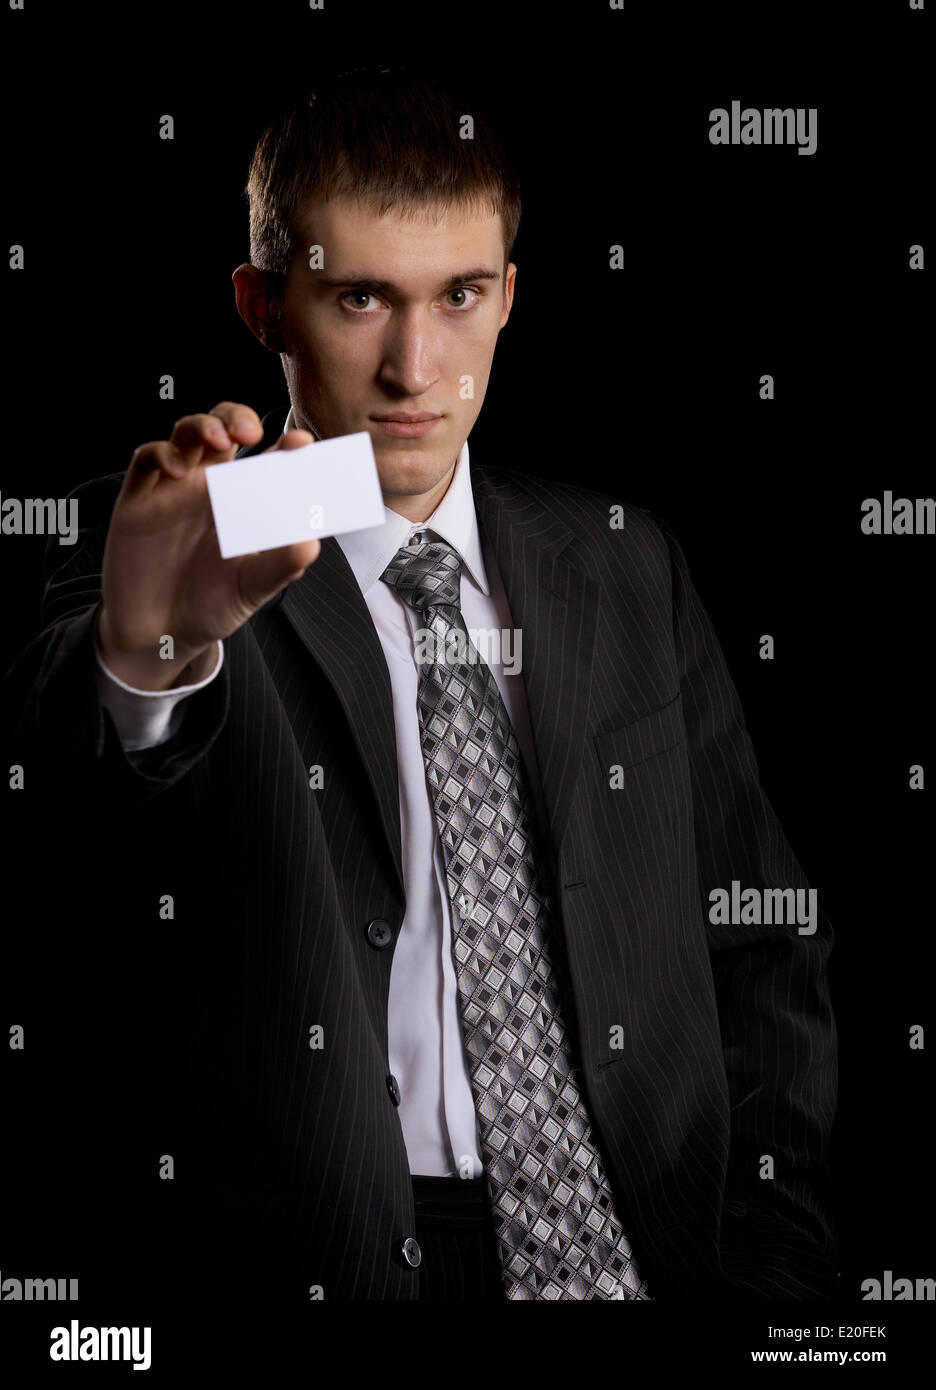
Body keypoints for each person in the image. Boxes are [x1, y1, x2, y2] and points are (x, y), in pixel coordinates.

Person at [4, 67, 837, 1303]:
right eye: (359, 300)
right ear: (264, 307)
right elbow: (64, 871)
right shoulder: (171, 542)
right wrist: (149, 655)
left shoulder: (621, 562)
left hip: (639, 1254)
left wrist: (772, 1269)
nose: (414, 365)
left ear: (509, 298)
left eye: (460, 295)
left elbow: (761, 944)